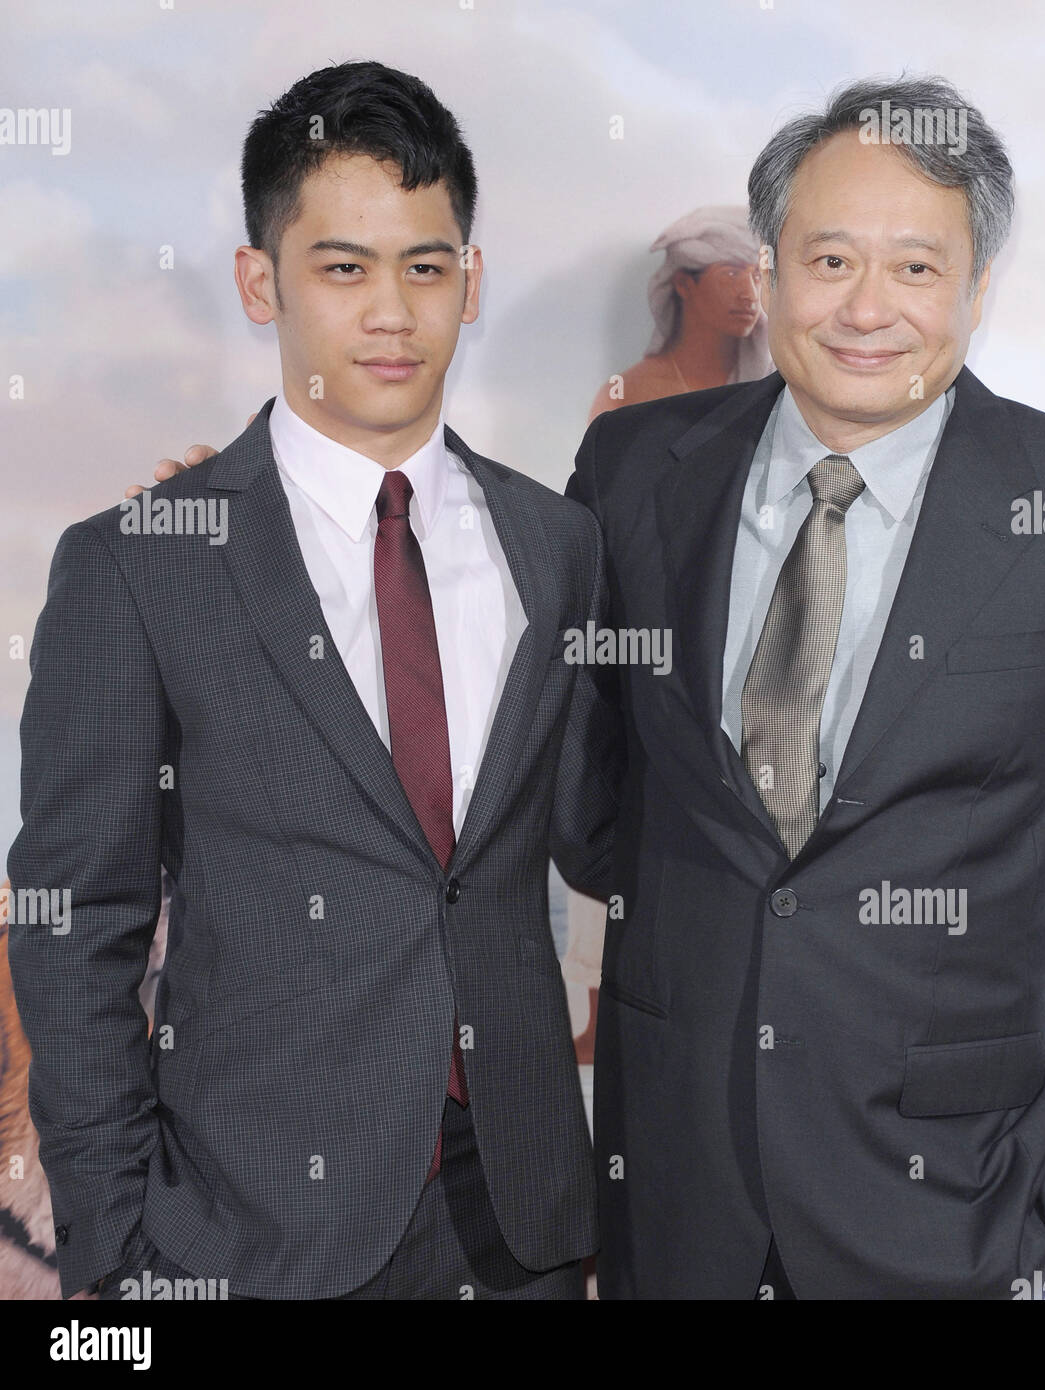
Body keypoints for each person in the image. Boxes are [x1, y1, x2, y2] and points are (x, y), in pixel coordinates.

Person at [567, 75, 1045, 1298]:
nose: (868, 308)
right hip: (673, 1187)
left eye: (918, 269)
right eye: (828, 259)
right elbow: (589, 803)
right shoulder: (632, 469)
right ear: (767, 277)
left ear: (978, 289)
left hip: (956, 1206)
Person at [7, 60, 620, 1302]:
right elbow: (77, 926)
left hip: (524, 1220)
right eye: (344, 267)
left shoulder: (559, 548)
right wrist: (114, 1261)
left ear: (471, 281)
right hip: (251, 1233)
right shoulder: (139, 565)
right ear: (259, 282)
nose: (391, 311)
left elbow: (601, 831)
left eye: (426, 265)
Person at [588, 206, 769, 420]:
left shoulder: (778, 384)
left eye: (757, 276)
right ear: (684, 284)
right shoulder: (625, 394)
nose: (750, 294)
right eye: (730, 274)